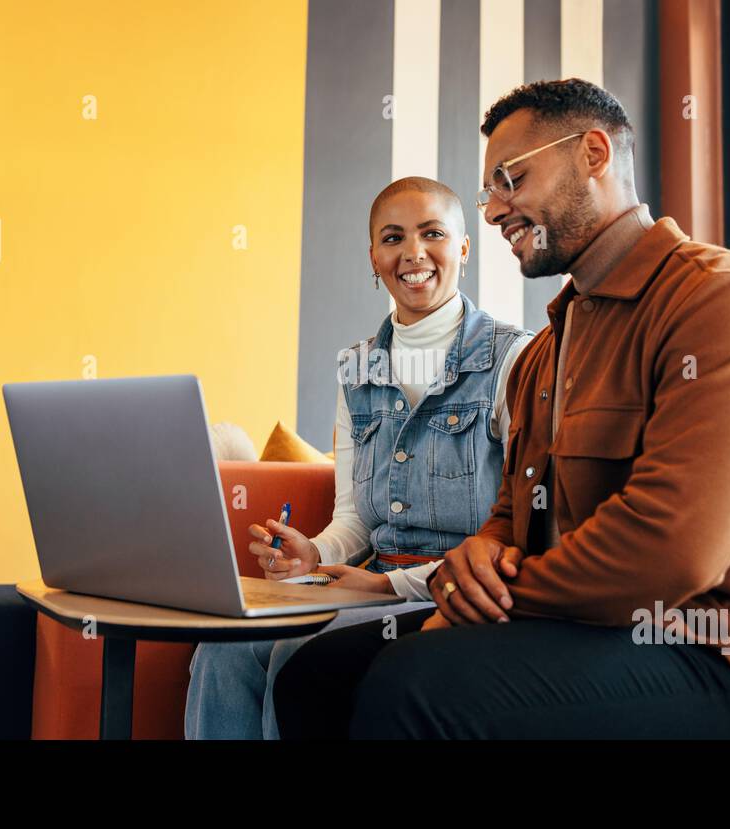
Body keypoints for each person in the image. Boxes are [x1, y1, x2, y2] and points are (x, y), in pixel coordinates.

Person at [273, 79, 730, 740]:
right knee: (314, 673)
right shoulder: (548, 347)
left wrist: (481, 596)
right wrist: (483, 552)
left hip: (726, 657)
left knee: (416, 686)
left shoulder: (715, 300)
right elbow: (514, 514)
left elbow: (673, 552)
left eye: (510, 180)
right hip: (580, 628)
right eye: (489, 191)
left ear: (594, 154)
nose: (493, 211)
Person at [184, 177, 533, 739]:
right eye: (393, 238)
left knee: (295, 655)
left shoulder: (513, 358)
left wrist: (384, 588)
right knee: (222, 651)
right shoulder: (356, 368)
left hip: (454, 589)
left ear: (463, 249)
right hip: (361, 582)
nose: (413, 253)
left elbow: (519, 529)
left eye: (433, 233)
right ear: (374, 258)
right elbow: (353, 517)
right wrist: (311, 553)